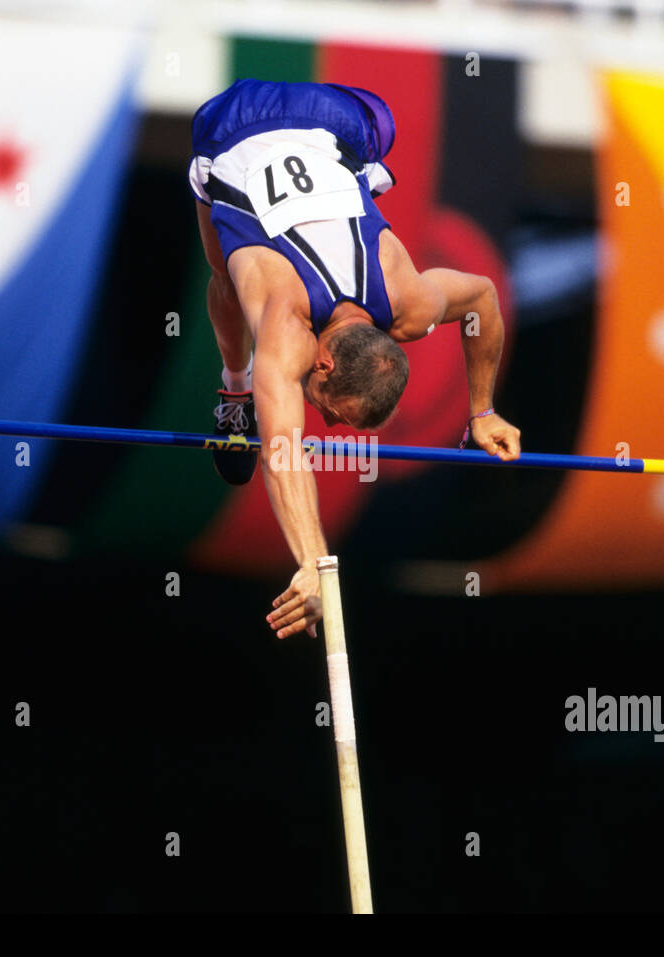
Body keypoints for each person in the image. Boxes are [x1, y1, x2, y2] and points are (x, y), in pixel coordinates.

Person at [188, 79, 521, 639]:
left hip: (329, 115)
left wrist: (483, 411)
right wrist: (315, 567)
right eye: (332, 412)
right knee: (225, 273)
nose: (321, 420)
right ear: (321, 364)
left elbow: (484, 298)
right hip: (233, 123)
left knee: (244, 261)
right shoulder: (286, 329)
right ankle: (234, 389)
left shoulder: (409, 301)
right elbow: (283, 452)